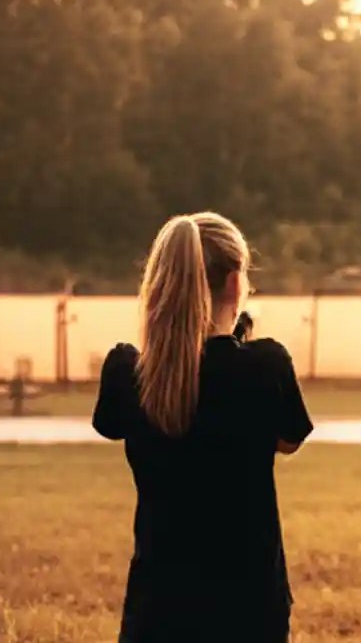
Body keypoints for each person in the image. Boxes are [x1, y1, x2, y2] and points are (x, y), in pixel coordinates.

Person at [93, 212, 313, 643]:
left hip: (157, 608)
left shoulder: (127, 372)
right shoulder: (265, 366)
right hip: (249, 606)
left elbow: (111, 423)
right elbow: (289, 440)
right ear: (234, 283)